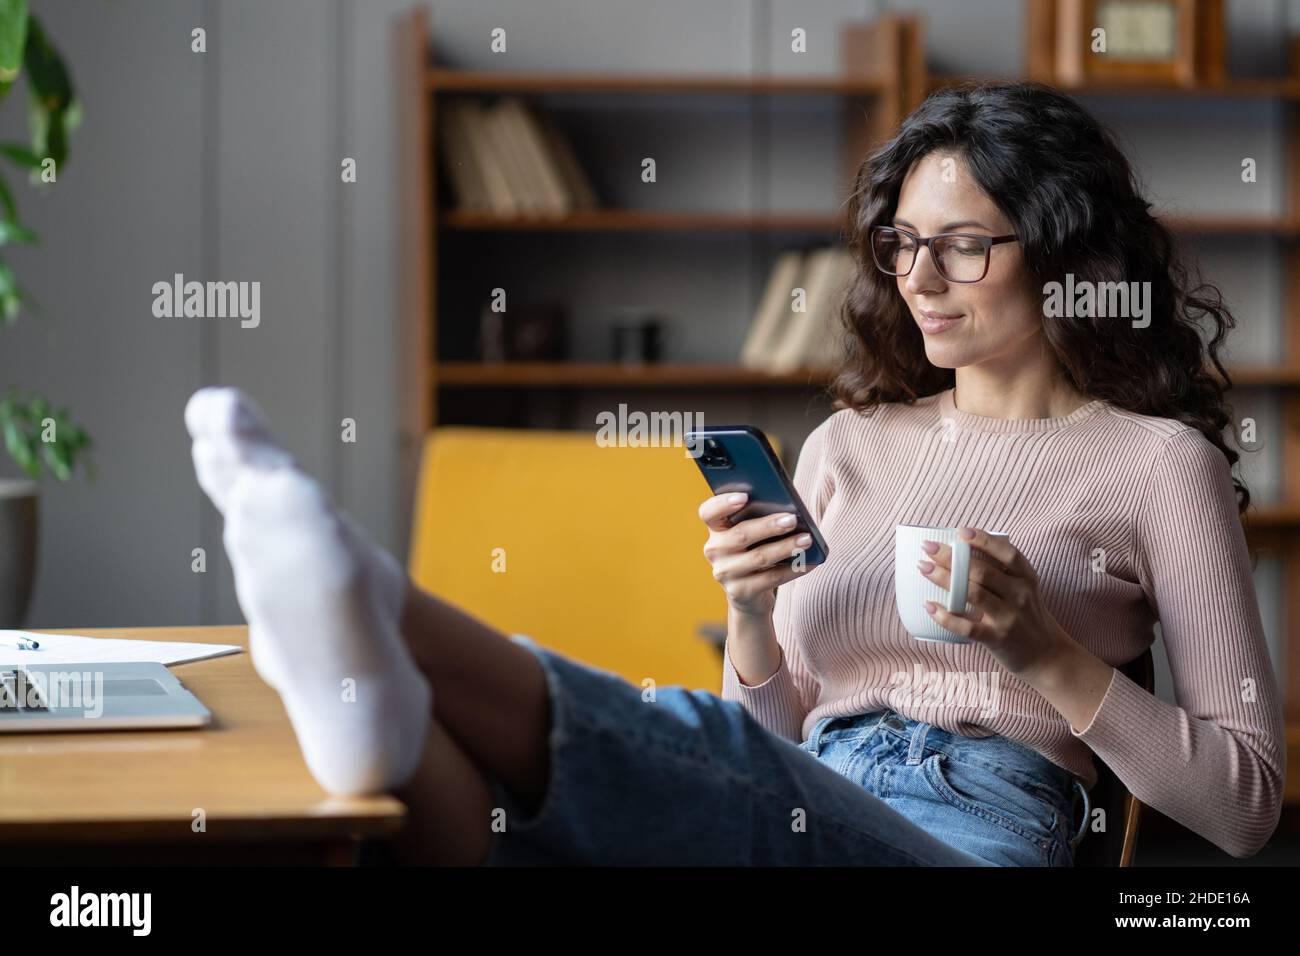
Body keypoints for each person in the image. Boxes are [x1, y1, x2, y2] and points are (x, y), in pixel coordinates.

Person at [185, 81, 1284, 866]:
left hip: (977, 820)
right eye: (900, 244)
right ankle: (377, 694)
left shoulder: (1155, 463)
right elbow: (769, 740)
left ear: (1058, 251)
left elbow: (1244, 809)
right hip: (808, 794)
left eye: (964, 244)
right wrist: (751, 616)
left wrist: (1038, 646)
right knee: (476, 809)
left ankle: (375, 614)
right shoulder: (849, 444)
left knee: (672, 764)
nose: (921, 279)